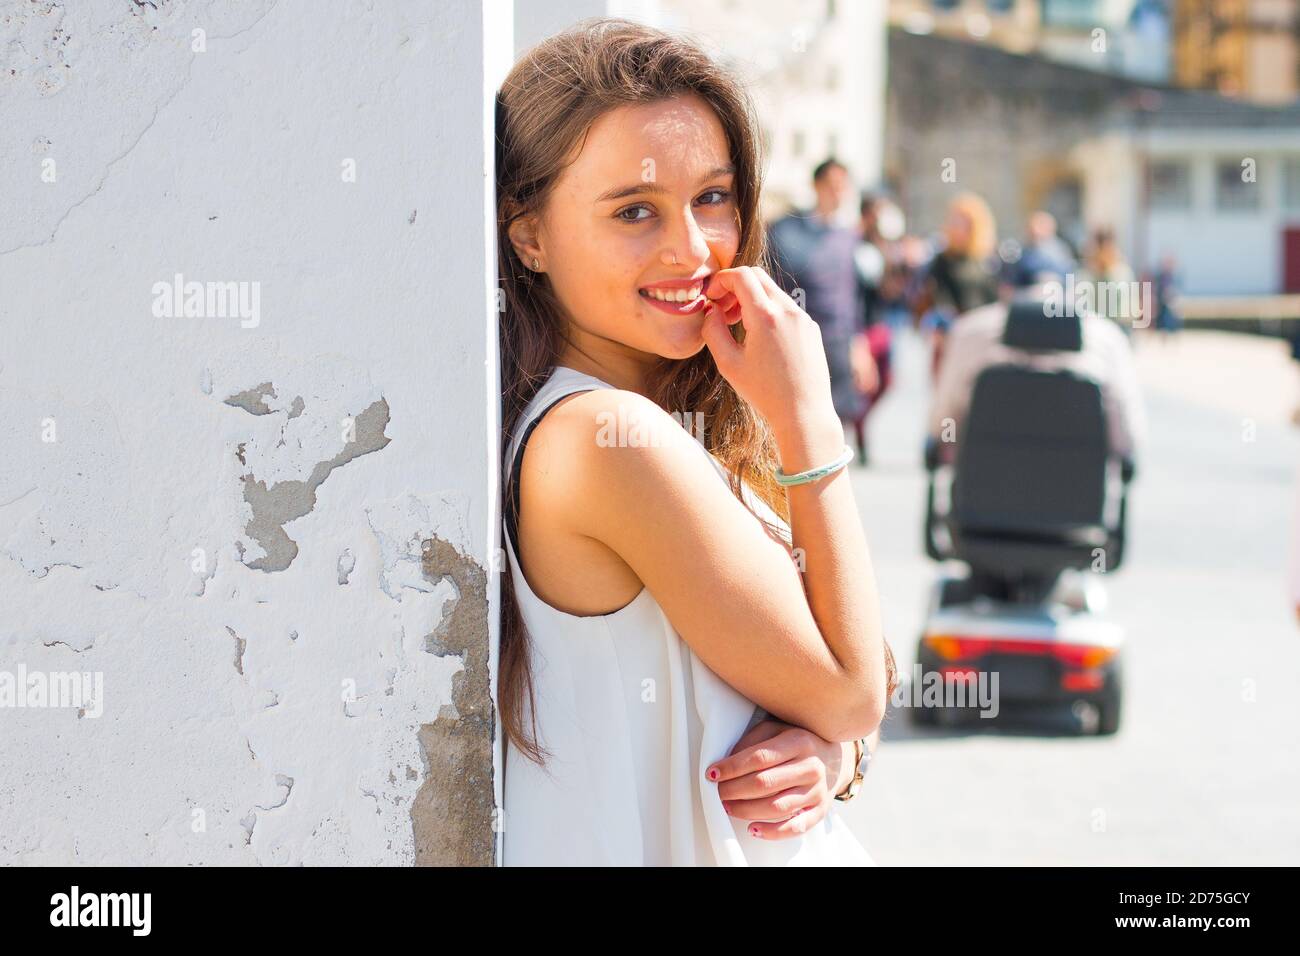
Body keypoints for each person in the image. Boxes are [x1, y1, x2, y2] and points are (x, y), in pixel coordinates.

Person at [496, 18, 895, 866]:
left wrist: (829, 754)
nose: (694, 248)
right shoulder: (609, 439)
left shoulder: (655, 416)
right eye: (635, 210)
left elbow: (837, 683)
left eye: (712, 197)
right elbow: (855, 689)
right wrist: (808, 419)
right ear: (528, 233)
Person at [926, 283, 1147, 466]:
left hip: (981, 496)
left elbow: (947, 413)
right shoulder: (1107, 339)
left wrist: (942, 446)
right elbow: (1127, 434)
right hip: (1078, 498)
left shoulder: (971, 331)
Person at [767, 159, 876, 462]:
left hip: (838, 341)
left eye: (843, 186)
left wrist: (860, 344)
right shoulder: (784, 231)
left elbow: (853, 296)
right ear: (816, 187)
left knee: (835, 427)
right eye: (832, 185)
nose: (837, 192)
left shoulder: (849, 237)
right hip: (796, 341)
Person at [915, 192, 1002, 379]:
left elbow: (992, 301)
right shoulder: (942, 261)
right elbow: (939, 298)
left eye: (964, 223)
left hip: (981, 337)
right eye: (955, 222)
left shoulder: (984, 261)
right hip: (953, 338)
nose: (958, 228)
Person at [1080, 226, 1139, 337]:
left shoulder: (1121, 270)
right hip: (1098, 326)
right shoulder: (1089, 272)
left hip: (1120, 325)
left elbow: (1126, 304)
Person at [1003, 210, 1076, 290]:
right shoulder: (1023, 253)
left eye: (1041, 226)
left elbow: (1068, 274)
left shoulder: (1060, 251)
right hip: (1026, 296)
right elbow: (1015, 278)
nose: (1036, 231)